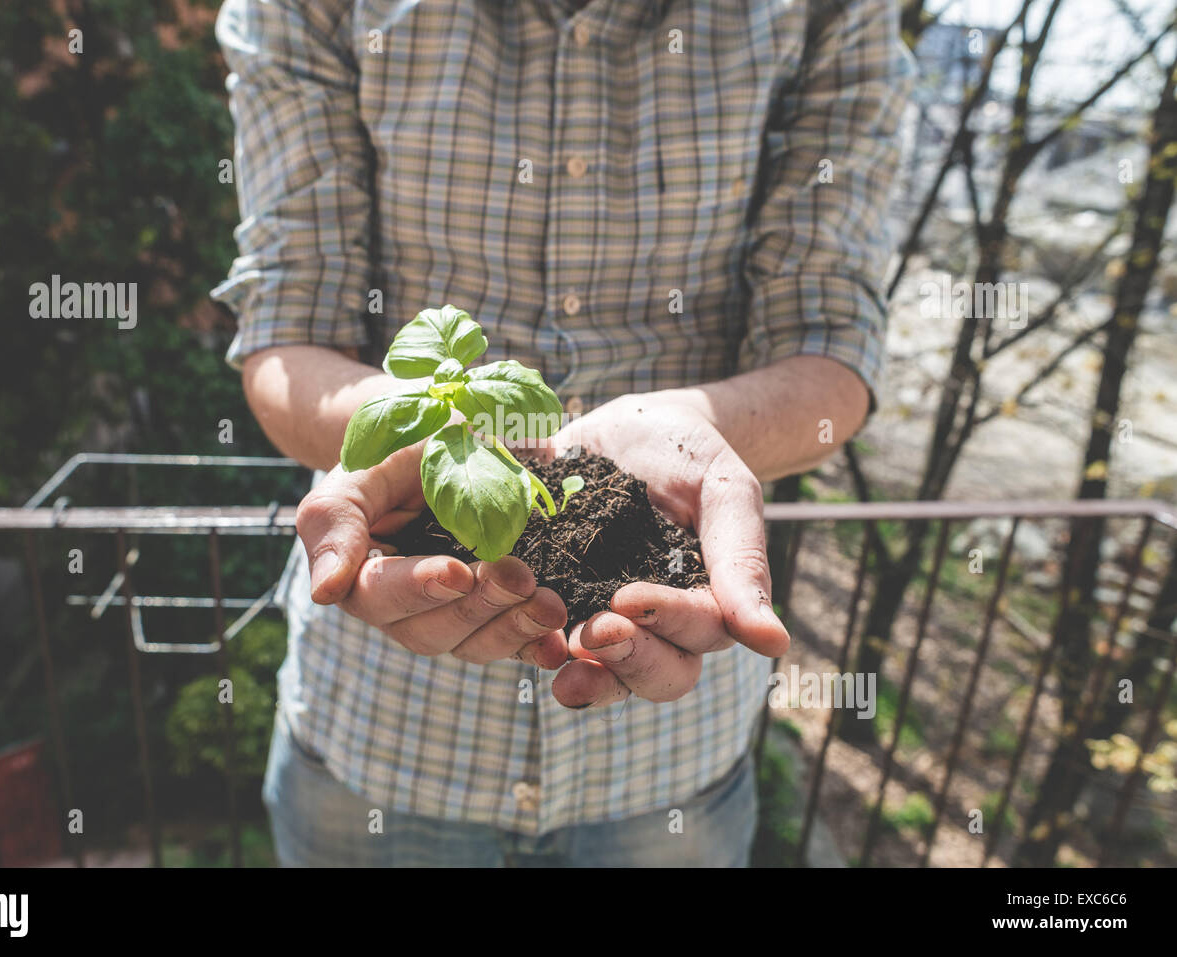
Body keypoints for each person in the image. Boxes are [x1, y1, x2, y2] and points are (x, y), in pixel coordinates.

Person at [212, 0, 912, 866]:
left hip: (670, 765)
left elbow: (831, 349)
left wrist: (694, 424)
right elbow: (287, 332)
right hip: (380, 734)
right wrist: (425, 442)